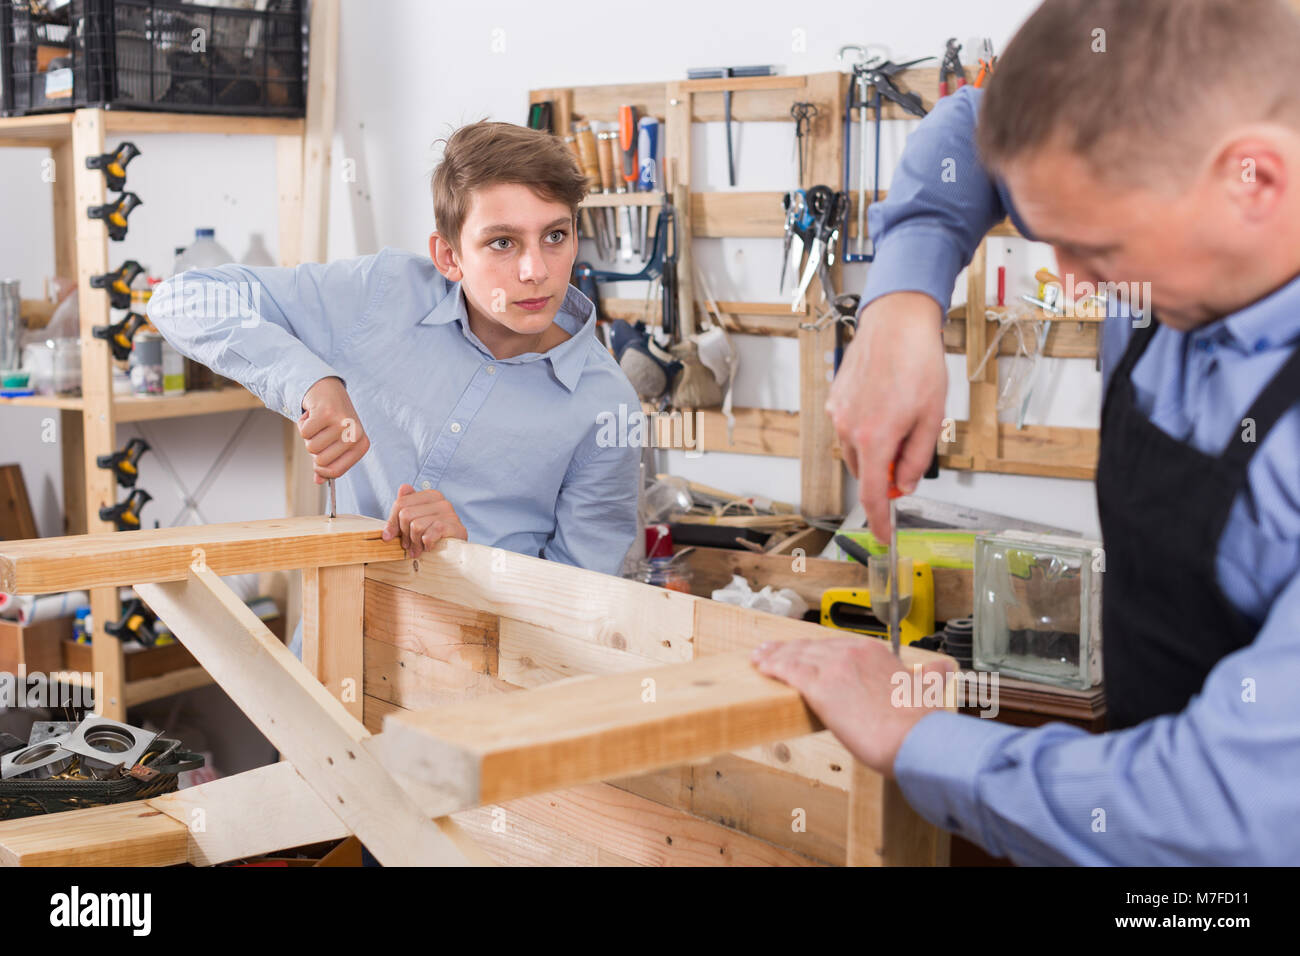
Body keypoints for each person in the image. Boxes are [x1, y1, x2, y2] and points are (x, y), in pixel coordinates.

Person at [755, 0, 1300, 864]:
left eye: (1097, 246)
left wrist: (915, 737)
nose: (1072, 280)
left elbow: (1225, 818)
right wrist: (903, 301)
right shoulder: (1157, 176)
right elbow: (975, 128)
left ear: (1255, 182)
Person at [148, 121, 640, 657]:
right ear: (448, 256)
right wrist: (311, 381)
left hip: (474, 694)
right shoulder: (380, 296)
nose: (535, 270)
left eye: (555, 236)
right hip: (324, 665)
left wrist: (461, 562)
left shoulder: (607, 408)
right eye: (502, 242)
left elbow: (578, 616)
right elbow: (184, 299)